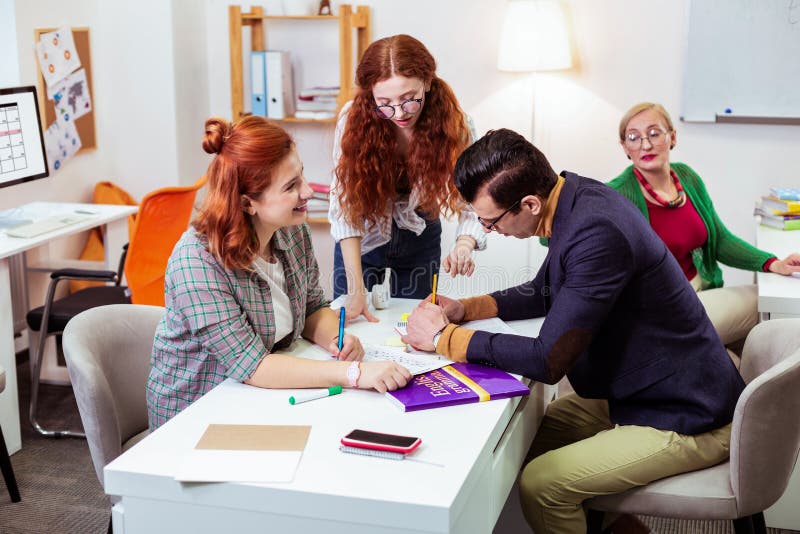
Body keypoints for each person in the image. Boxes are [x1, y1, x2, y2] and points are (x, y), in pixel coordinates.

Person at [402, 129, 745, 534]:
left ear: (530, 203)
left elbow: (547, 360)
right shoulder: (575, 198)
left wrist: (444, 340)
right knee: (520, 445)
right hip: (642, 386)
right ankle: (618, 526)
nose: (488, 231)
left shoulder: (597, 233)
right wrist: (465, 309)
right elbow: (542, 291)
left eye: (490, 222)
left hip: (686, 412)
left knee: (541, 483)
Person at [146, 116, 411, 430]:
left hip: (254, 399)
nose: (307, 192)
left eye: (301, 175)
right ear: (248, 203)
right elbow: (253, 366)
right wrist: (355, 374)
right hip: (196, 416)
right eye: (291, 186)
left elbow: (313, 308)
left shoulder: (289, 231)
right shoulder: (197, 261)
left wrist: (335, 340)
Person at [609, 102, 800, 351]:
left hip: (700, 291)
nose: (645, 145)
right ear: (625, 147)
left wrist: (772, 263)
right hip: (663, 309)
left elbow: (719, 239)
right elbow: (566, 230)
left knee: (754, 333)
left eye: (654, 133)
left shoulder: (686, 177)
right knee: (762, 305)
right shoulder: (618, 193)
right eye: (633, 138)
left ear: (672, 137)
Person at [329, 34, 486, 323]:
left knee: (415, 326)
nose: (399, 113)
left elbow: (474, 199)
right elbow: (343, 206)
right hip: (361, 237)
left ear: (427, 82)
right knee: (351, 325)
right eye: (384, 103)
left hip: (421, 235)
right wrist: (355, 289)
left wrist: (464, 244)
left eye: (408, 100)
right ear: (370, 96)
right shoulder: (351, 119)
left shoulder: (456, 124)